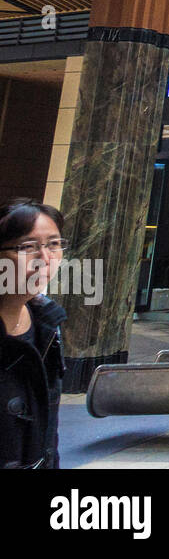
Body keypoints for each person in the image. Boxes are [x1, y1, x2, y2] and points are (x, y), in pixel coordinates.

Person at [0, 199, 68, 469]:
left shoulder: (47, 324)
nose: (45, 258)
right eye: (28, 247)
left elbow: (48, 431)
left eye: (54, 244)